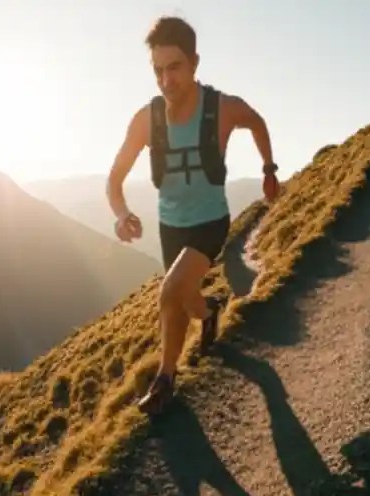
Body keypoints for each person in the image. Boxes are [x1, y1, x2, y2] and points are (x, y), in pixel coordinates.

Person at [106, 15, 280, 416]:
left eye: (175, 68)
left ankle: (165, 380)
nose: (167, 80)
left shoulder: (221, 108)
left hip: (210, 222)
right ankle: (210, 311)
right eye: (158, 71)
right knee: (183, 300)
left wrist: (269, 170)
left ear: (195, 63)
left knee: (169, 293)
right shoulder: (145, 120)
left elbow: (257, 122)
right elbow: (114, 179)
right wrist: (121, 214)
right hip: (171, 226)